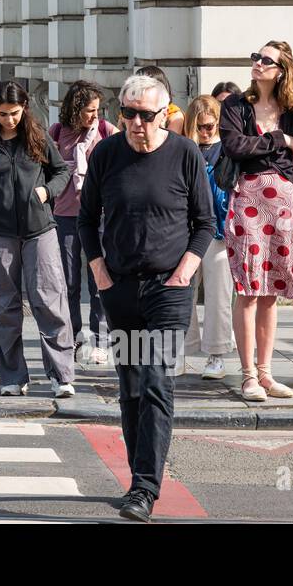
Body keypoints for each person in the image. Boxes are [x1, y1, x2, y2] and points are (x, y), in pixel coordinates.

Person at [79, 74, 216, 522]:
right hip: (120, 289)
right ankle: (140, 475)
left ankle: (144, 488)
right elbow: (85, 221)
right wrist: (99, 272)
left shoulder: (184, 154)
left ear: (165, 113)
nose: (136, 123)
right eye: (129, 114)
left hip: (168, 290)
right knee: (132, 385)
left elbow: (204, 222)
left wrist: (185, 272)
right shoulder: (106, 153)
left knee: (157, 379)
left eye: (146, 115)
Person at [219, 42, 293, 402]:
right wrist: (280, 140)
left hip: (283, 202)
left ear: (280, 69)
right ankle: (248, 375)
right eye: (255, 57)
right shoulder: (236, 106)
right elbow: (236, 146)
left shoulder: (290, 106)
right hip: (248, 200)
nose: (257, 63)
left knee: (270, 294)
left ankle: (266, 374)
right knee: (249, 289)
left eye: (266, 60)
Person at [0, 81, 76, 398]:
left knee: (49, 300)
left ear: (24, 108)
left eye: (15, 113)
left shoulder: (37, 136)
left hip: (40, 230)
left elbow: (62, 171)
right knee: (5, 306)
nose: (9, 119)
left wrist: (46, 191)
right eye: (2, 114)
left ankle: (61, 374)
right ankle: (12, 376)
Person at [50, 80, 116, 365]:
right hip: (65, 213)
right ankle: (74, 335)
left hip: (99, 214)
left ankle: (100, 340)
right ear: (75, 109)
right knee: (69, 281)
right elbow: (48, 170)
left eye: (98, 110)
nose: (95, 116)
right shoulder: (57, 132)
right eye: (89, 110)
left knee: (99, 279)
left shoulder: (106, 131)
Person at [183, 95, 235, 380]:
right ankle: (183, 350)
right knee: (182, 293)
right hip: (186, 231)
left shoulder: (226, 149)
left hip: (217, 229)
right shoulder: (183, 148)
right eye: (200, 126)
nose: (205, 131)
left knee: (218, 295)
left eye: (210, 126)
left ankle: (216, 354)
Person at [135, 65, 184, 134]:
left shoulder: (174, 114)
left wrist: (160, 126)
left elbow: (172, 142)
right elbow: (120, 141)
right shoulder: (130, 111)